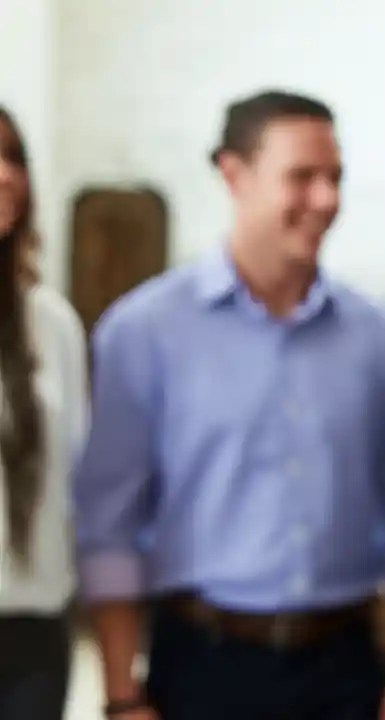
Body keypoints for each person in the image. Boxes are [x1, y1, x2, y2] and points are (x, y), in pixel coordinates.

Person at [74, 90, 385, 720]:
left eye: (335, 178)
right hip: (203, 667)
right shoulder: (142, 332)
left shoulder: (379, 339)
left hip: (350, 668)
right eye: (301, 177)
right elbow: (110, 523)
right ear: (233, 175)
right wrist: (122, 695)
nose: (326, 200)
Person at [0, 107, 88, 720]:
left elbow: (79, 476)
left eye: (14, 159)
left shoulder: (51, 322)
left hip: (32, 631)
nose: (7, 176)